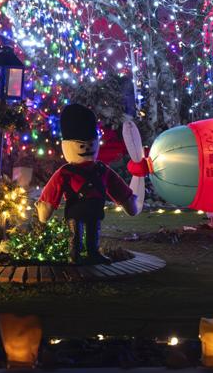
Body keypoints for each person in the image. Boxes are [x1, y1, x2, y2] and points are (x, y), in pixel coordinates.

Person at [36, 104, 141, 264]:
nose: (86, 148)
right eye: (81, 145)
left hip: (94, 209)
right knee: (75, 235)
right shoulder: (66, 171)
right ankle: (74, 255)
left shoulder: (101, 169)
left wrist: (127, 200)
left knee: (94, 232)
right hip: (75, 210)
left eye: (90, 144)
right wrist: (46, 206)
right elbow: (53, 189)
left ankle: (93, 253)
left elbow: (116, 185)